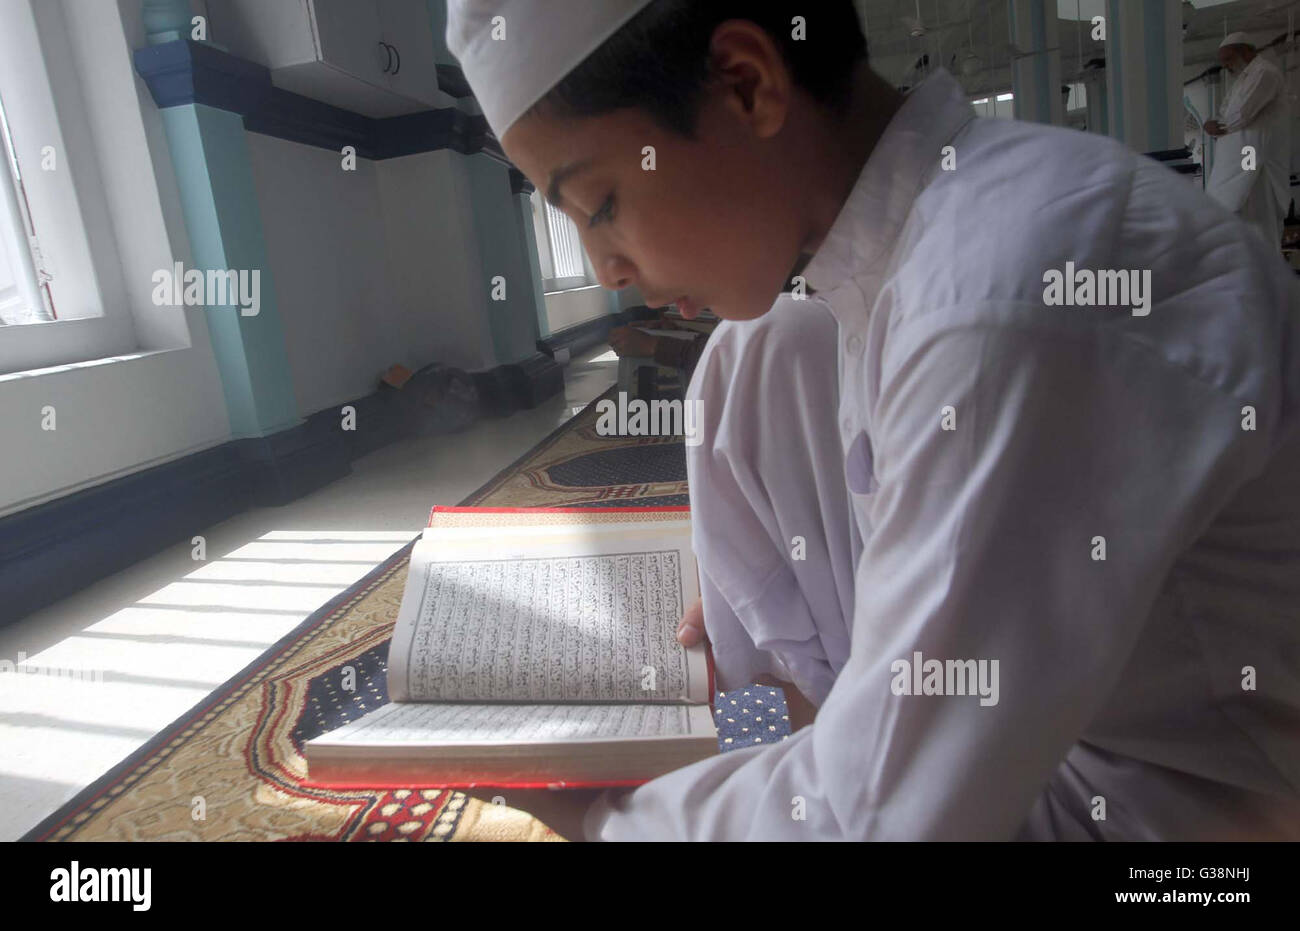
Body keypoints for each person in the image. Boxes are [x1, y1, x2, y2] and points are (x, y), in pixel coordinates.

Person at [446, 0, 1300, 840]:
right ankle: (756, 725)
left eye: (598, 205)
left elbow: (885, 822)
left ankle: (770, 758)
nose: (607, 268)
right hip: (1034, 732)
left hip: (1171, 819)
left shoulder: (1006, 294)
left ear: (747, 86)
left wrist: (606, 818)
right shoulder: (919, 243)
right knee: (758, 355)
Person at [1205, 33, 1291, 248]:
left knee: (1256, 209)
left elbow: (1241, 114)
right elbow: (1225, 111)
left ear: (1246, 52)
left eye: (1228, 59)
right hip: (1240, 157)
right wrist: (1216, 123)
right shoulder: (1242, 79)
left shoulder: (1264, 73)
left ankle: (1266, 272)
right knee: (1237, 212)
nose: (1225, 66)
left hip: (1254, 157)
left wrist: (1219, 126)